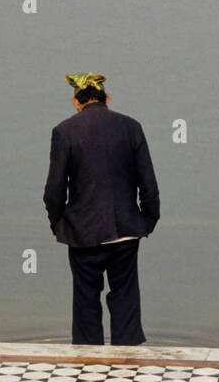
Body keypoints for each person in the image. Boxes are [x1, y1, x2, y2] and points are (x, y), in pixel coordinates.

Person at [44, 72, 160, 346]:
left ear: (76, 102)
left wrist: (58, 223)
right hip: (126, 231)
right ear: (107, 99)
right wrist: (146, 221)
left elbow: (54, 189)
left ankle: (87, 365)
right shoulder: (131, 127)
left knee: (86, 298)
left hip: (82, 232)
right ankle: (127, 364)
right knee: (125, 297)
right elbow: (149, 185)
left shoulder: (64, 131)